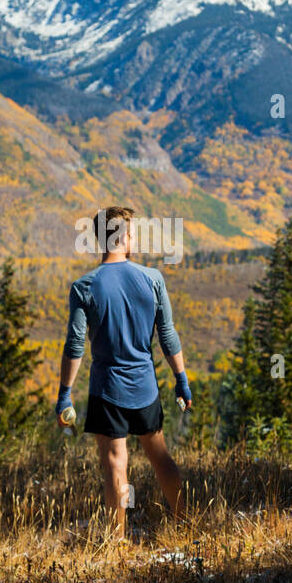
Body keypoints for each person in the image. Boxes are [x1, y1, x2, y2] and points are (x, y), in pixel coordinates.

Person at [57, 206, 192, 540]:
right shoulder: (153, 279)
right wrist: (182, 380)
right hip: (145, 386)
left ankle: (117, 541)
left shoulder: (84, 286)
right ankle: (186, 524)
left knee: (116, 465)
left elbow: (75, 345)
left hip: (106, 390)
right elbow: (167, 335)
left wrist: (64, 395)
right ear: (126, 237)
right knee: (160, 458)